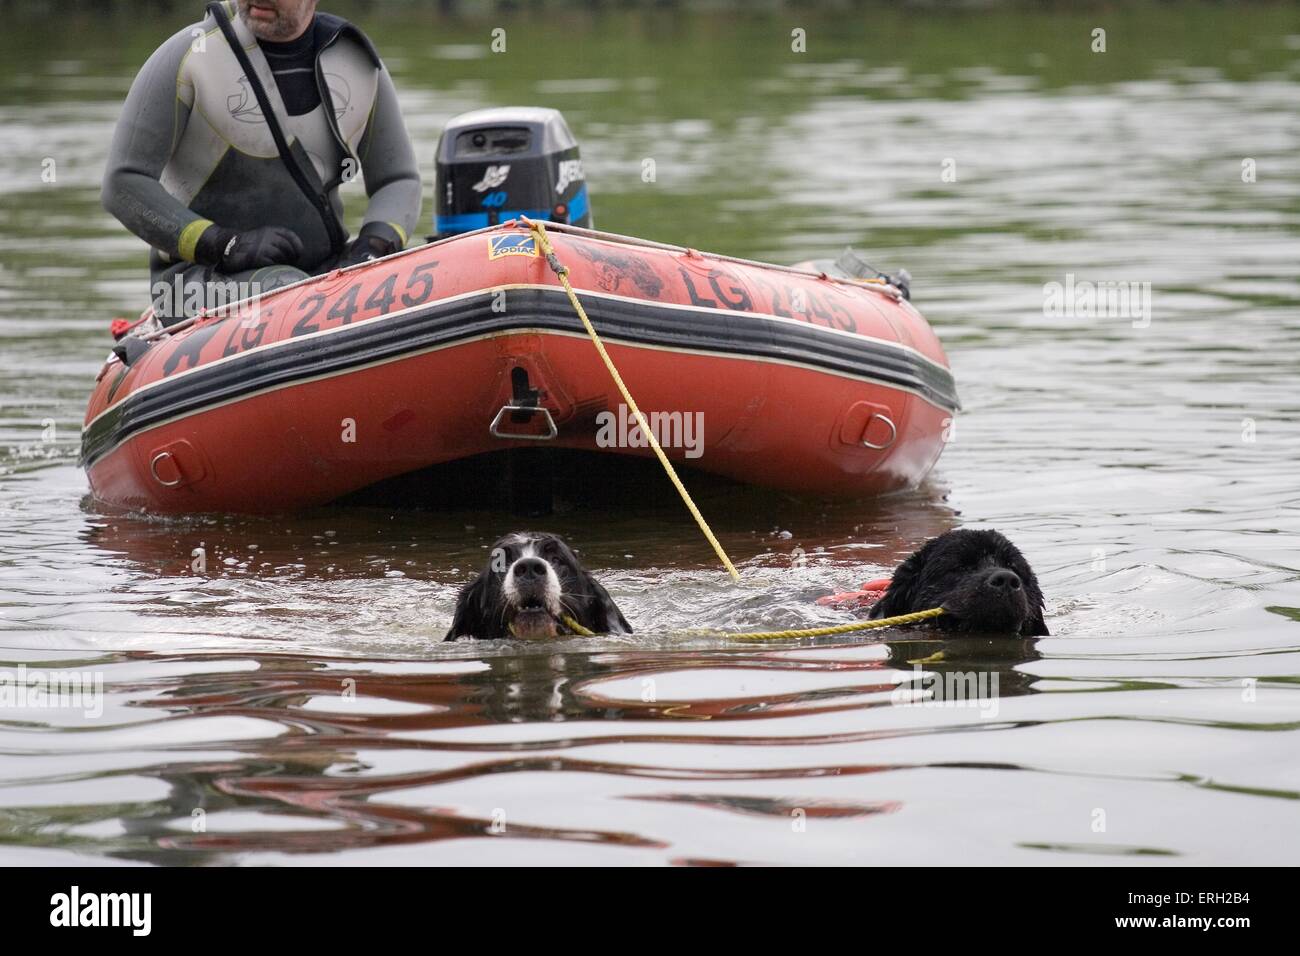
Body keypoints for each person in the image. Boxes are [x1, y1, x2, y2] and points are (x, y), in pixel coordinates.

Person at [102, 0, 421, 324]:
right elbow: (123, 183)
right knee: (290, 293)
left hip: (324, 273)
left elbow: (398, 180)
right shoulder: (189, 56)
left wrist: (372, 247)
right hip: (195, 283)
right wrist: (223, 243)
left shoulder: (355, 61)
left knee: (399, 280)